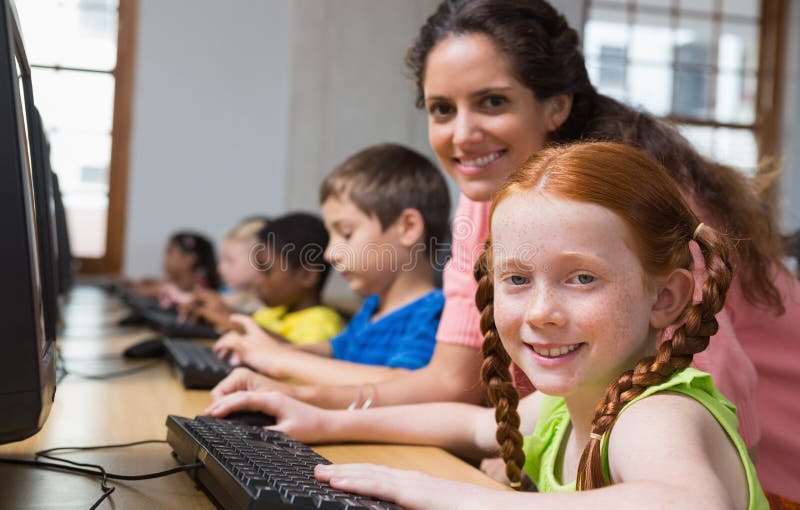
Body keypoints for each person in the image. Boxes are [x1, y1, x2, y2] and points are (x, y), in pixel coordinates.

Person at [211, 0, 788, 458]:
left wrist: (286, 369)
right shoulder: (487, 194)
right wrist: (305, 403)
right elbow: (456, 377)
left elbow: (720, 404)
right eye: (443, 109)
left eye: (492, 102)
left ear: (555, 106)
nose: (462, 135)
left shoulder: (631, 194)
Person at [205, 143, 767, 509]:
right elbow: (464, 423)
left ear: (665, 298)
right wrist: (320, 422)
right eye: (517, 280)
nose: (541, 311)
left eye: (582, 279)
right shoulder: (562, 407)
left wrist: (450, 495)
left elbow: (691, 501)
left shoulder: (658, 412)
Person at [213, 144, 449, 387]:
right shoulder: (374, 307)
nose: (329, 254)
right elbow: (335, 351)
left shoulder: (432, 313)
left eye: (346, 234)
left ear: (408, 228)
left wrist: (282, 359)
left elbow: (404, 385)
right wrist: (265, 349)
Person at [215, 212, 343, 348]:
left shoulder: (322, 324)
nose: (257, 280)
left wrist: (232, 322)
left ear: (307, 276)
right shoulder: (272, 312)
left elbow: (303, 361)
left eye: (266, 271)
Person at [176, 218, 268, 328]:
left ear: (260, 260)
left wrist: (224, 313)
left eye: (230, 260)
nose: (219, 268)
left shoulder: (267, 306)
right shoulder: (235, 297)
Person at [125, 231, 221, 301]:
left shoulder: (198, 286)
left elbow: (165, 289)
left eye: (169, 252)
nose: (165, 258)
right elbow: (158, 283)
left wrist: (136, 289)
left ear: (189, 260)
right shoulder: (177, 282)